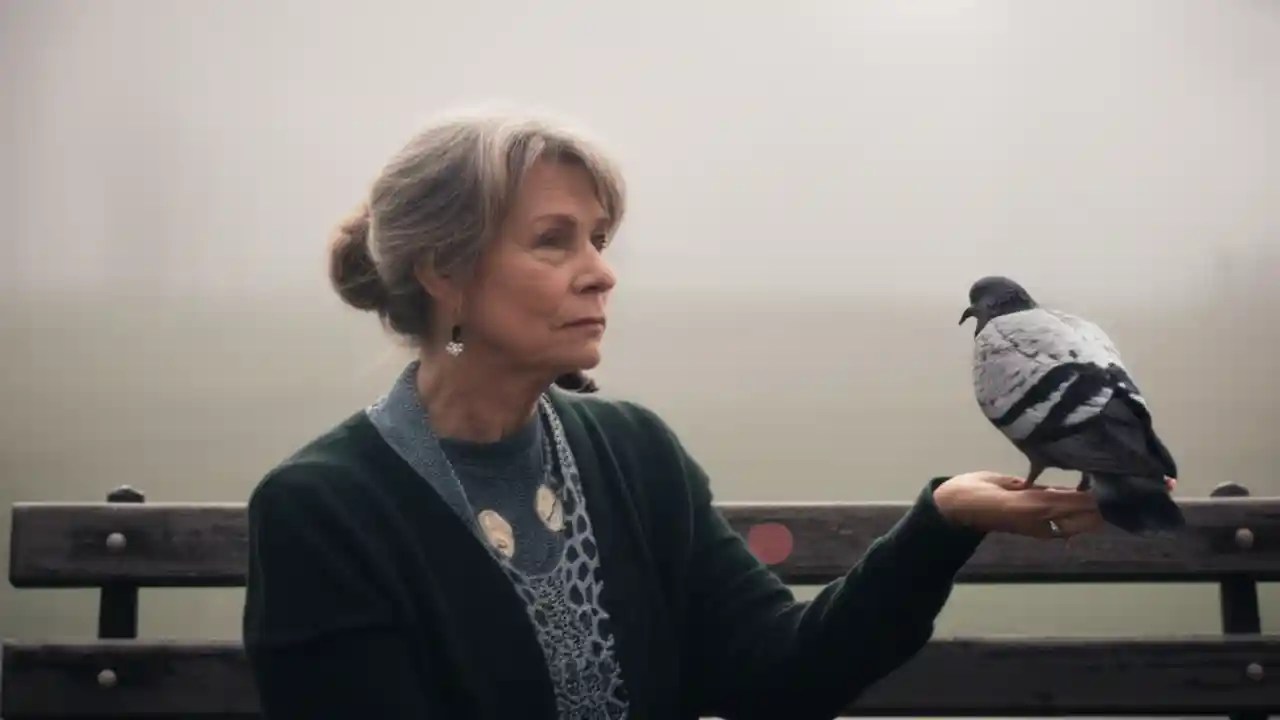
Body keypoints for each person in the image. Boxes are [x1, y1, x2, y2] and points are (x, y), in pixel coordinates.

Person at [240, 110, 1125, 720]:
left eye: (599, 238)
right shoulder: (324, 511)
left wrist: (941, 522)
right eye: (554, 240)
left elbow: (779, 677)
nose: (600, 271)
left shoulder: (635, 455)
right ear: (441, 271)